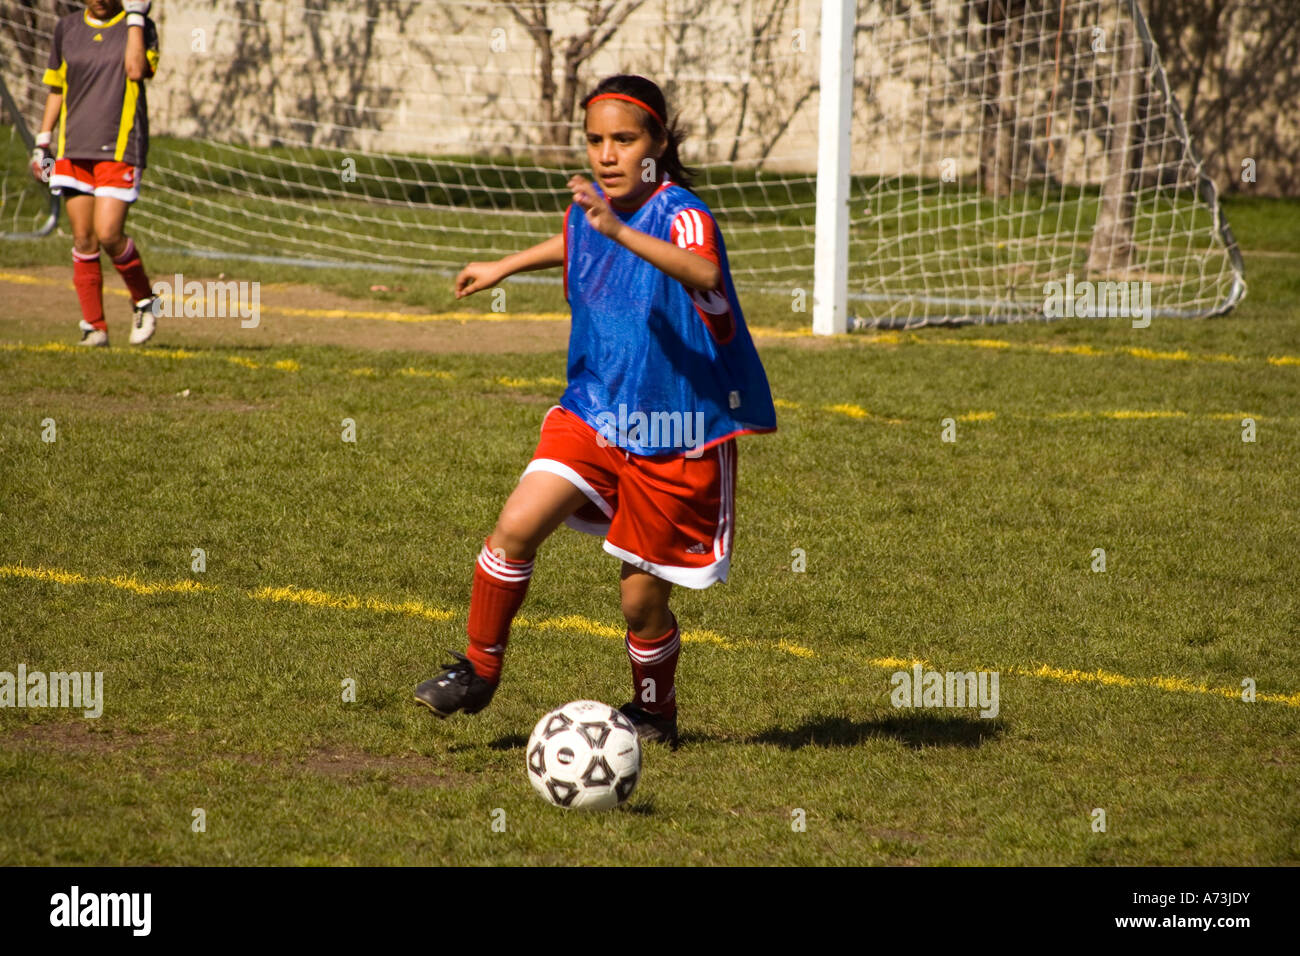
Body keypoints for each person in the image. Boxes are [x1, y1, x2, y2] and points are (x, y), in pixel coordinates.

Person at [414, 75, 777, 749]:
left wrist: (612, 226)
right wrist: (504, 264)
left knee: (641, 602)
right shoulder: (598, 211)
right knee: (515, 526)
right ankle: (479, 669)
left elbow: (702, 274)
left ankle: (653, 713)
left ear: (659, 143)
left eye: (625, 139)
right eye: (595, 140)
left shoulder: (684, 215)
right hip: (595, 410)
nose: (608, 154)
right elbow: (582, 239)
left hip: (676, 433)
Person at [30, 0, 160, 347]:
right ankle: (94, 326)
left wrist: (135, 17)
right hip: (73, 148)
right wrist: (43, 142)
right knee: (83, 238)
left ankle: (145, 300)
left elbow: (136, 70)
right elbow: (57, 88)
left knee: (108, 234)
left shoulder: (139, 26)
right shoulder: (67, 28)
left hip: (120, 148)